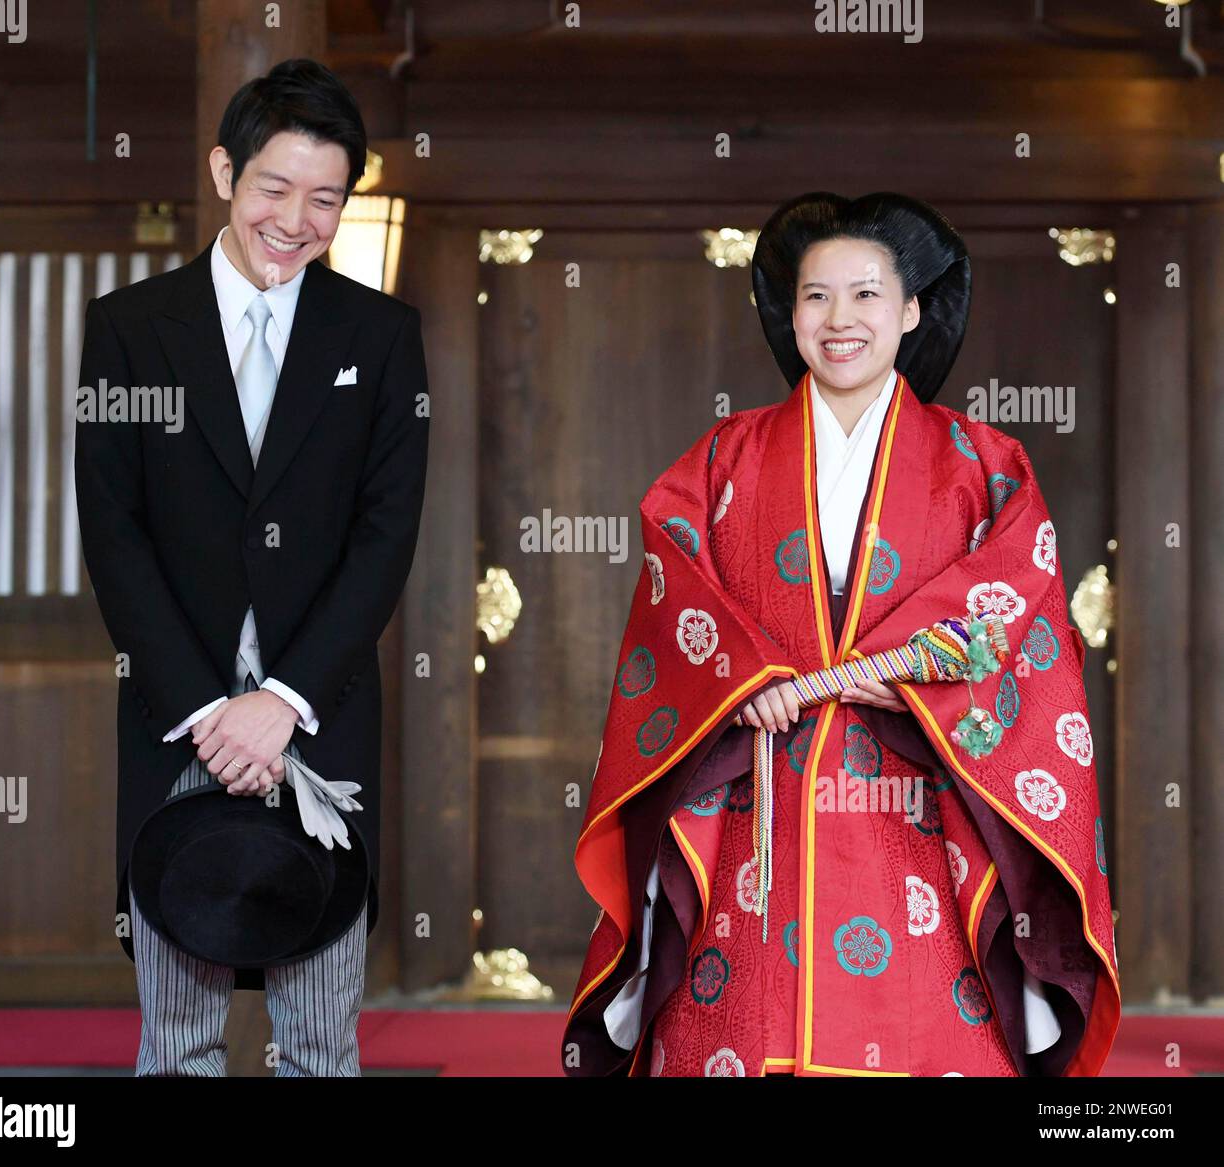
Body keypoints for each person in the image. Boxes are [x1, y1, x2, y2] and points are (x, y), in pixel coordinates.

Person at [561, 192, 1119, 1077]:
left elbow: (1020, 602)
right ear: (791, 315)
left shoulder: (983, 464)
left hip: (920, 808)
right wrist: (748, 679)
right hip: (759, 800)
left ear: (910, 311)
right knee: (746, 1026)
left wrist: (901, 671)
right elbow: (675, 600)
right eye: (816, 297)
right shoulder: (725, 458)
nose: (840, 319)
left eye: (866, 295)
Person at [74, 58, 429, 1076]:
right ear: (226, 171)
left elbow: (384, 534)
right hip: (173, 719)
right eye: (275, 187)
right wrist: (201, 705)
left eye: (326, 199)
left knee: (320, 1038)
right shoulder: (131, 331)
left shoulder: (381, 334)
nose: (296, 219)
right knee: (178, 1036)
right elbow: (115, 531)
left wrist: (282, 697)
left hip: (319, 722)